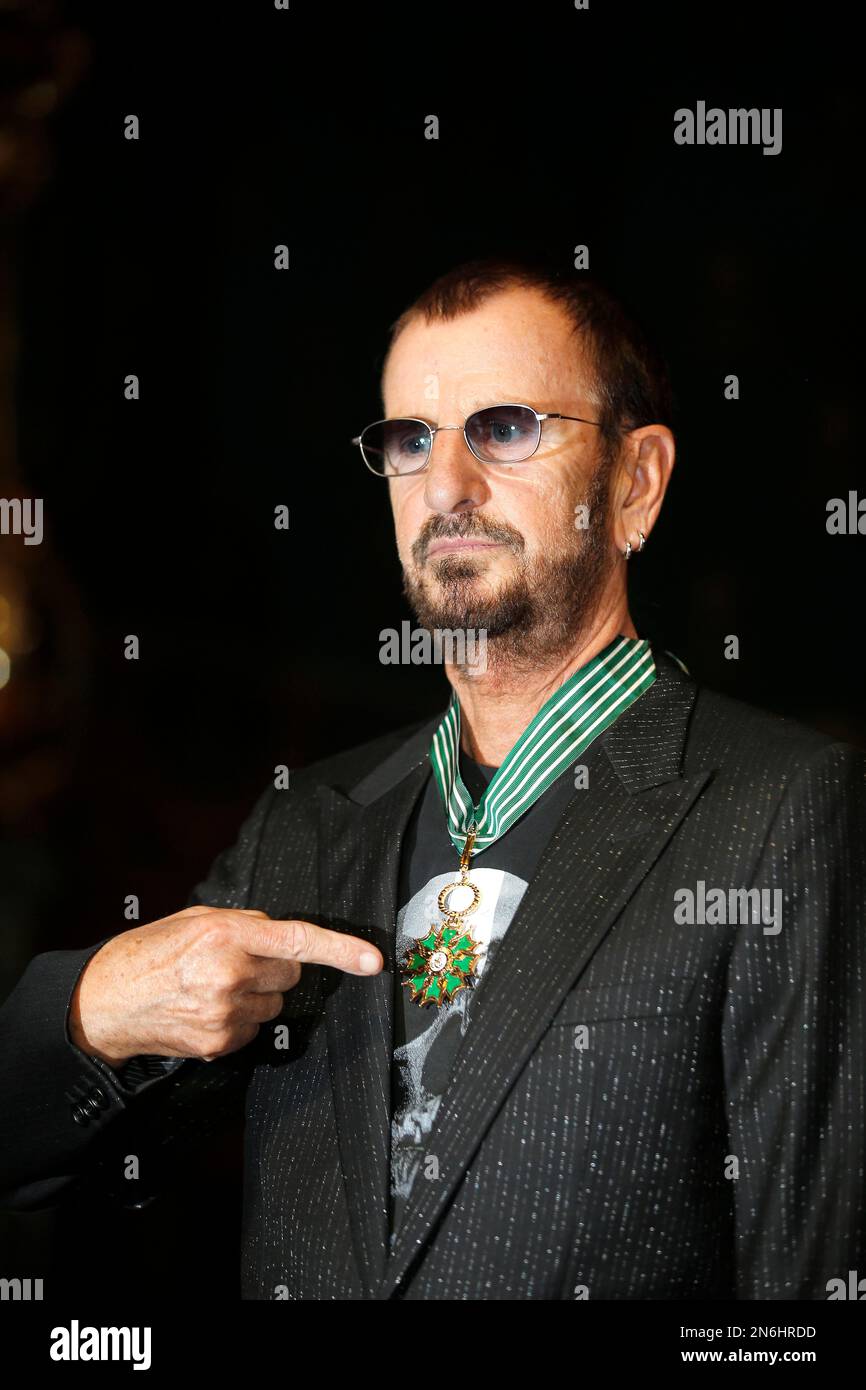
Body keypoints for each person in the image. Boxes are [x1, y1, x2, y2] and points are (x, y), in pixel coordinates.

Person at [1, 257, 863, 1300]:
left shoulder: (781, 808)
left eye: (503, 428)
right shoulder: (306, 824)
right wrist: (92, 1006)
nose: (444, 486)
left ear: (633, 483)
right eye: (409, 440)